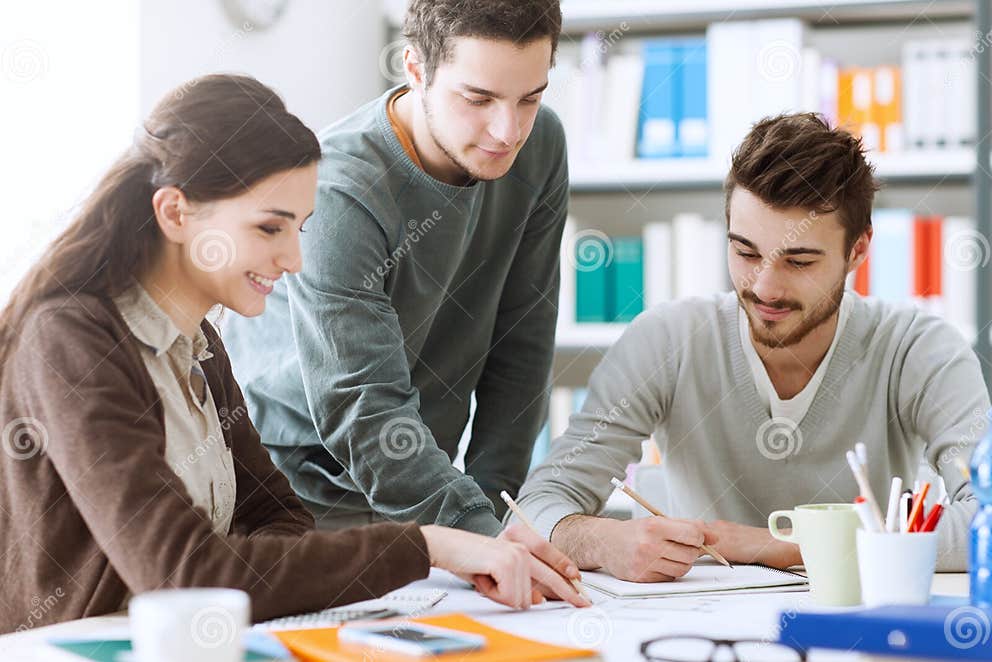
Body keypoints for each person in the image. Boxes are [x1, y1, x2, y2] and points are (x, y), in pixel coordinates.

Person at [0, 74, 585, 633]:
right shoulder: (68, 341)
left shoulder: (200, 345)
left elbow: (281, 522)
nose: (294, 262)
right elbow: (185, 573)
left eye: (299, 230)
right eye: (268, 229)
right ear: (176, 213)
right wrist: (429, 544)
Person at [511, 113, 987, 581]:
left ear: (858, 251)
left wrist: (776, 545)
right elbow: (535, 507)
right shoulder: (667, 340)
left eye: (798, 261)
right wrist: (606, 540)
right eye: (745, 252)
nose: (764, 287)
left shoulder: (921, 351)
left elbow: (987, 520)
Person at [223, 0, 569, 537]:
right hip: (292, 491)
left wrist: (498, 516)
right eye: (478, 98)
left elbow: (523, 340)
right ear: (415, 70)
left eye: (530, 97)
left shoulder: (541, 145)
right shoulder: (340, 190)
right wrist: (476, 533)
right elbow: (362, 404)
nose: (508, 131)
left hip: (422, 478)